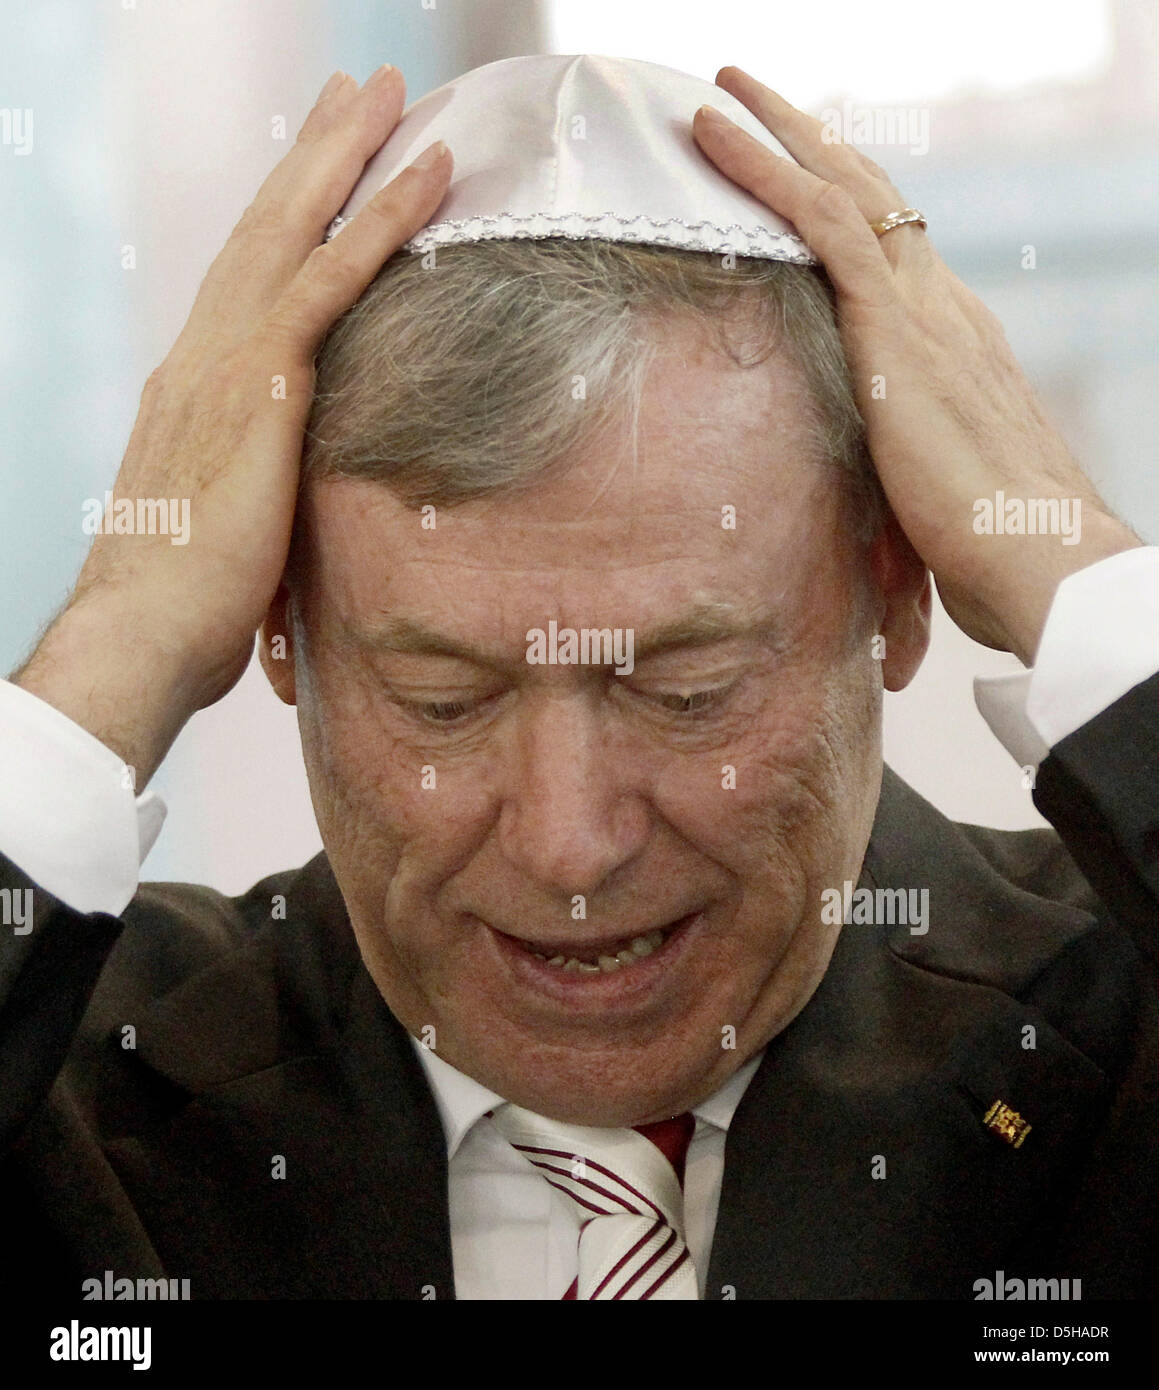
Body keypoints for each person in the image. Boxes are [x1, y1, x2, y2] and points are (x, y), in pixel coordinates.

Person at [1, 54, 1156, 1301]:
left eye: (686, 688)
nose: (569, 844)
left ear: (895, 590)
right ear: (279, 630)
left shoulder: (1114, 1021)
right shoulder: (75, 1075)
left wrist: (1078, 576)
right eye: (445, 701)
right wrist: (119, 638)